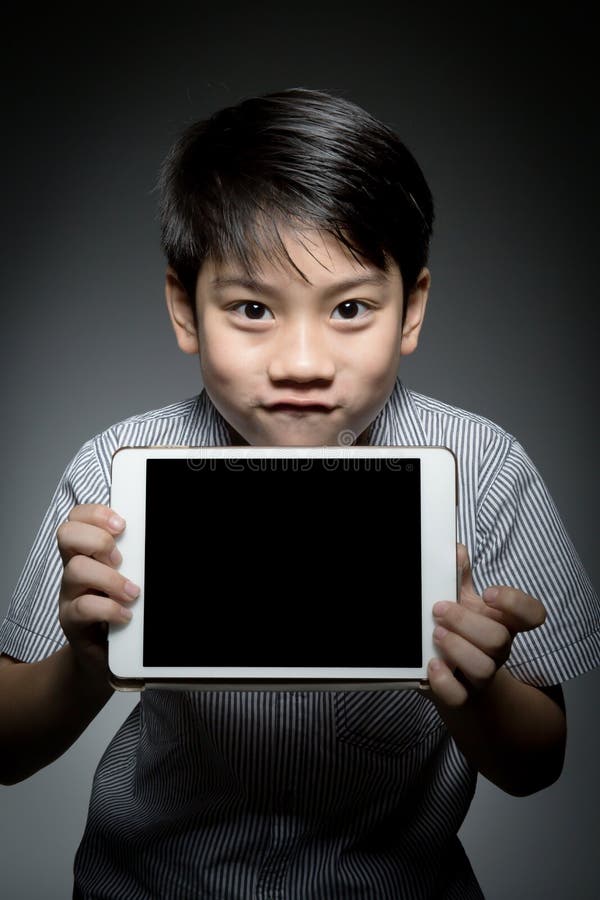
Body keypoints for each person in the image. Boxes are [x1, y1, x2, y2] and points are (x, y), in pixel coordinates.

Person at [0, 87, 598, 900]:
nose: (303, 362)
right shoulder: (115, 468)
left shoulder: (483, 467)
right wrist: (81, 664)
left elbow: (538, 765)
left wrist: (479, 688)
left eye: (350, 307)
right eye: (253, 308)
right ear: (187, 309)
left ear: (411, 310)